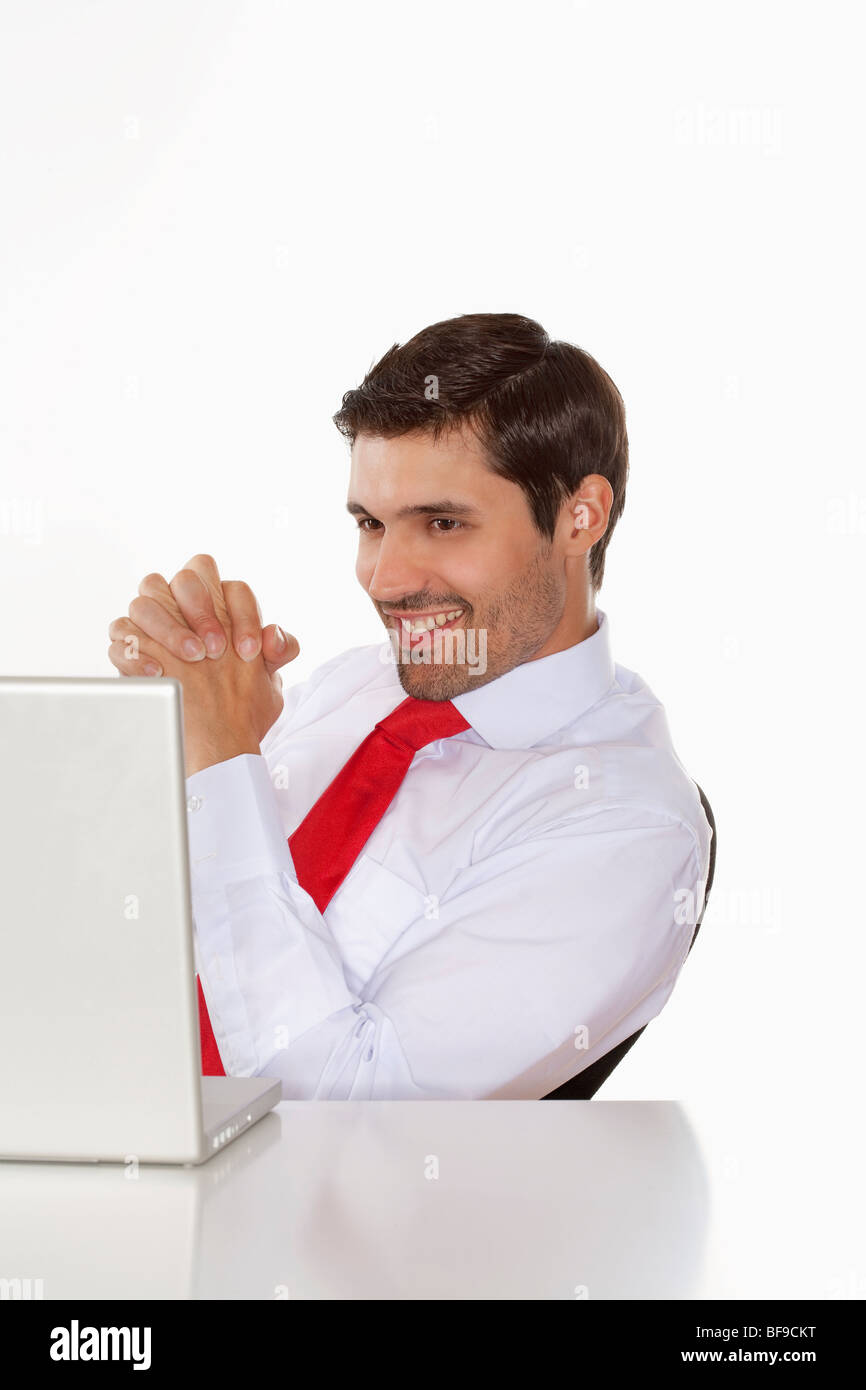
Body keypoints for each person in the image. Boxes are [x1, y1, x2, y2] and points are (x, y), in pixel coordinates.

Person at [107, 312, 713, 1099]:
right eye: (370, 524)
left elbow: (346, 1112)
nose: (386, 580)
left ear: (579, 516)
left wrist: (223, 760)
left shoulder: (626, 825)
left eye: (442, 523)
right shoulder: (349, 689)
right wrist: (175, 740)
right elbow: (156, 940)